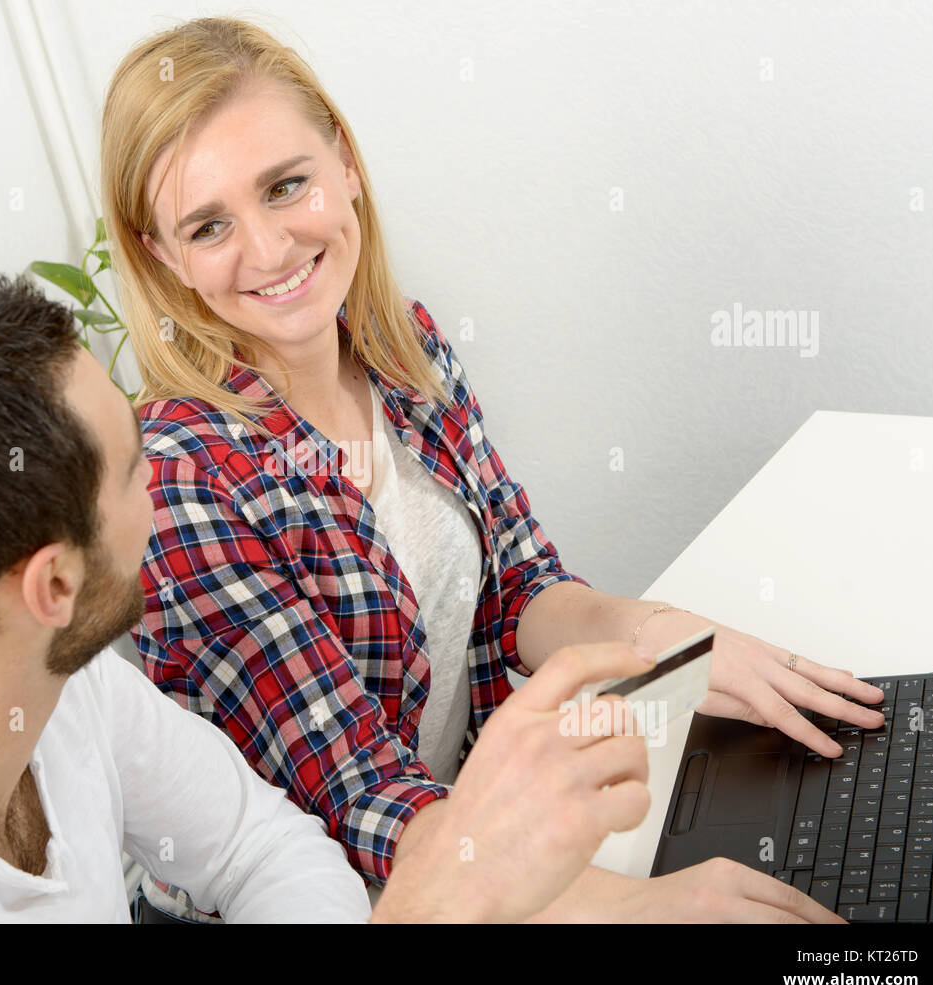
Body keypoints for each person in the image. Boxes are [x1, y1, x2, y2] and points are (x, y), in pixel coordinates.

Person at [100, 16, 871, 921]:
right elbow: (357, 796)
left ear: (345, 164)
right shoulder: (184, 479)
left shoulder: (403, 351)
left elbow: (518, 591)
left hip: (466, 845)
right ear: (162, 256)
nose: (268, 250)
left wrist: (671, 643)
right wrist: (626, 908)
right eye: (208, 225)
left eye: (286, 185)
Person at [0, 273, 661, 923]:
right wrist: (444, 900)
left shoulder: (31, 666)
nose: (172, 477)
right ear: (53, 583)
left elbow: (252, 844)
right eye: (141, 466)